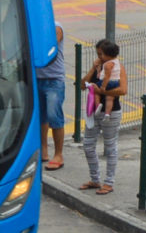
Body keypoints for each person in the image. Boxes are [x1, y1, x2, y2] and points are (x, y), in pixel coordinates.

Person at [80, 38, 125, 193]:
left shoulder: (116, 67)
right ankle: (95, 179)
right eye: (98, 54)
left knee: (110, 146)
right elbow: (82, 84)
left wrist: (102, 91)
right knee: (88, 144)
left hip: (111, 112)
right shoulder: (99, 67)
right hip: (93, 110)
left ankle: (109, 182)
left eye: (101, 54)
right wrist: (93, 69)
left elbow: (123, 90)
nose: (99, 57)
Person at [37, 23, 69, 171]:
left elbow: (49, 49)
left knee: (53, 115)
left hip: (54, 79)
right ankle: (44, 149)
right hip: (37, 78)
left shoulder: (56, 28)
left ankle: (58, 154)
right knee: (41, 116)